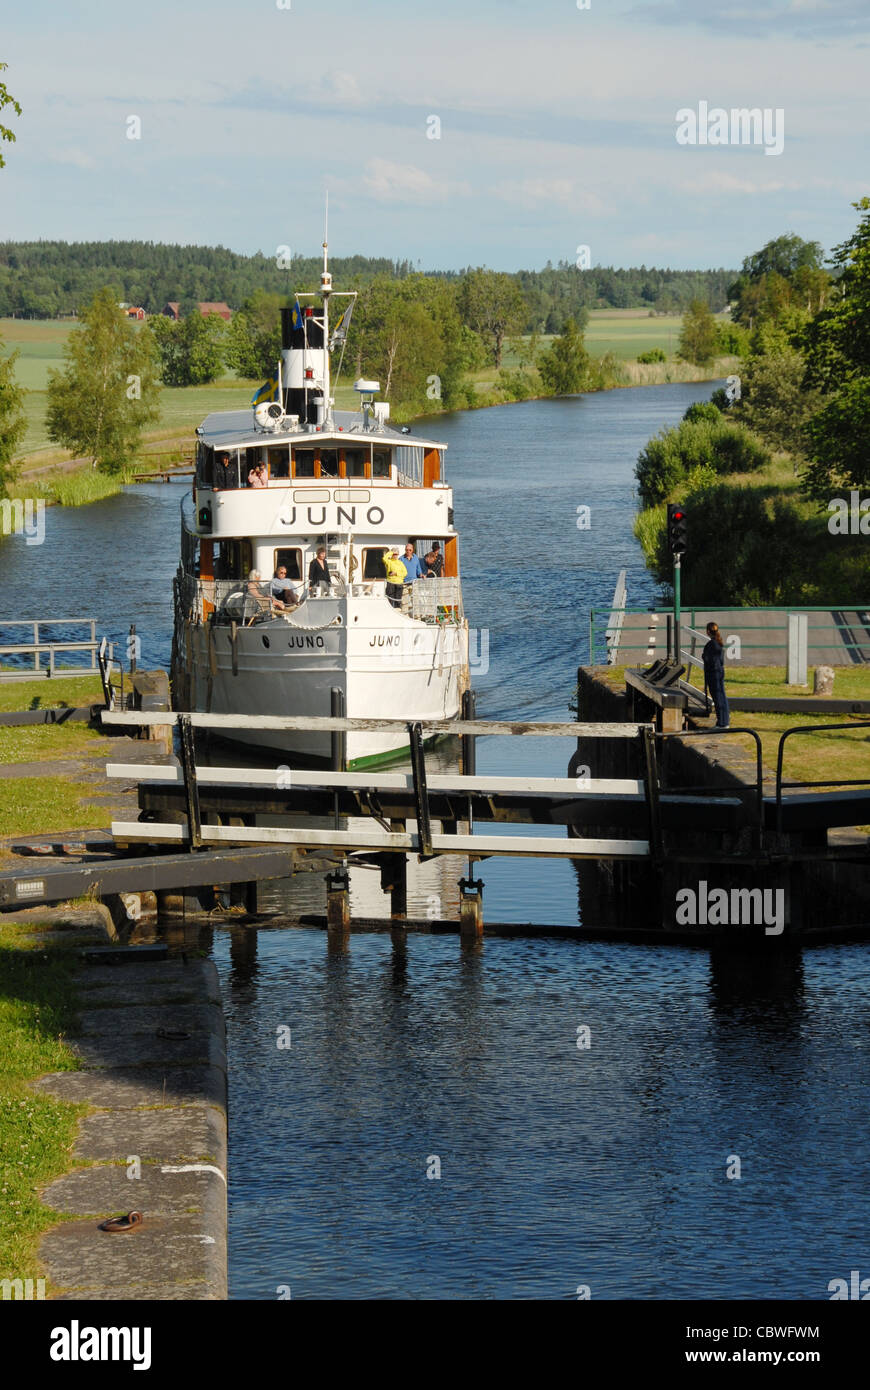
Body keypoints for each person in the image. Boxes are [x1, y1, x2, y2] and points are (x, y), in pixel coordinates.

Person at [702, 621, 730, 730]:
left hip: (713, 674)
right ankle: (724, 721)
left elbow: (710, 660)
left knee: (718, 698)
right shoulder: (719, 643)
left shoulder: (711, 644)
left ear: (708, 631)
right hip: (720, 672)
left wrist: (704, 656)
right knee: (722, 696)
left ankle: (722, 723)